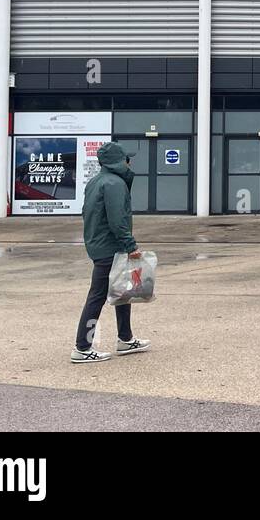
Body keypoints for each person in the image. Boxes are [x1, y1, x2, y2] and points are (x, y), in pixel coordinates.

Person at [72, 142, 149, 363]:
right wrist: (130, 245)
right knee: (97, 296)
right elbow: (118, 220)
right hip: (110, 248)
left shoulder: (96, 181)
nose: (129, 161)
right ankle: (82, 347)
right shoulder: (115, 184)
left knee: (123, 292)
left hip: (101, 245)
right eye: (127, 157)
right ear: (119, 160)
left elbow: (86, 213)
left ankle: (125, 338)